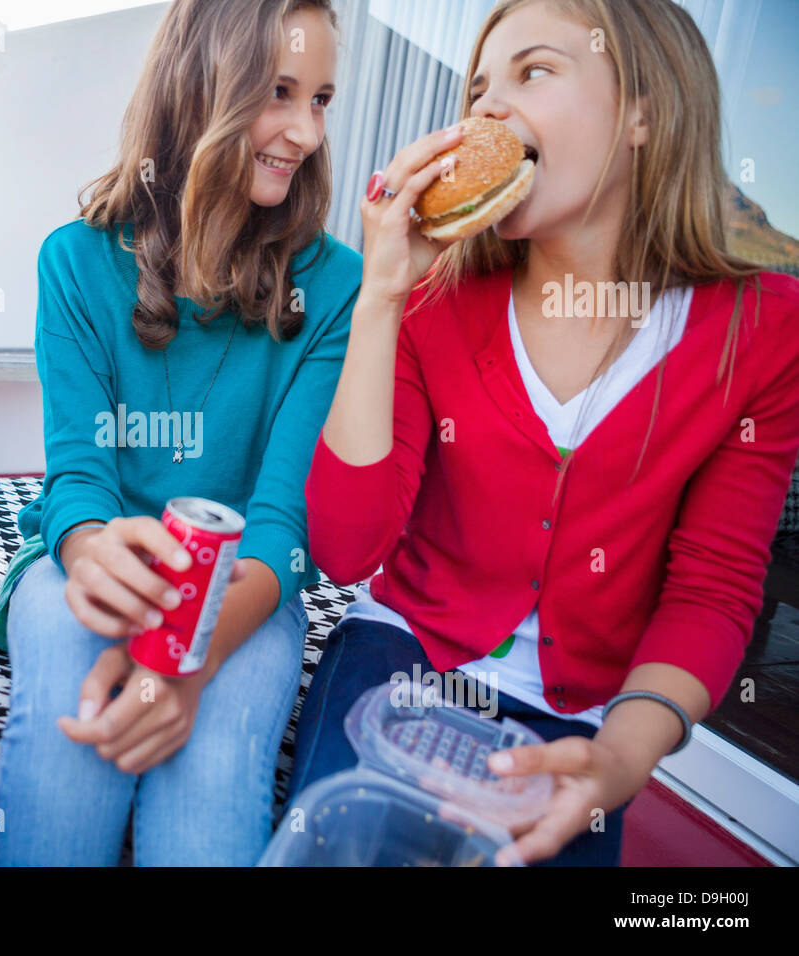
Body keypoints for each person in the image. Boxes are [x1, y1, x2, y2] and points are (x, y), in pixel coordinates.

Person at [291, 0, 799, 866]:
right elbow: (345, 550)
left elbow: (712, 593)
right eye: (478, 87)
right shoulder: (430, 301)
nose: (486, 108)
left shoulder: (763, 330)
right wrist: (380, 298)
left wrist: (616, 759)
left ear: (643, 110)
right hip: (400, 657)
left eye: (534, 72)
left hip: (584, 718)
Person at [0, 0, 362, 866]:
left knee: (212, 774)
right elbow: (77, 481)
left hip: (249, 586)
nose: (305, 132)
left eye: (322, 99)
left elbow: (283, 523)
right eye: (279, 92)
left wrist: (183, 663)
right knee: (77, 747)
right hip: (95, 559)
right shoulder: (73, 262)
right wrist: (89, 551)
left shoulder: (335, 288)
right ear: (201, 89)